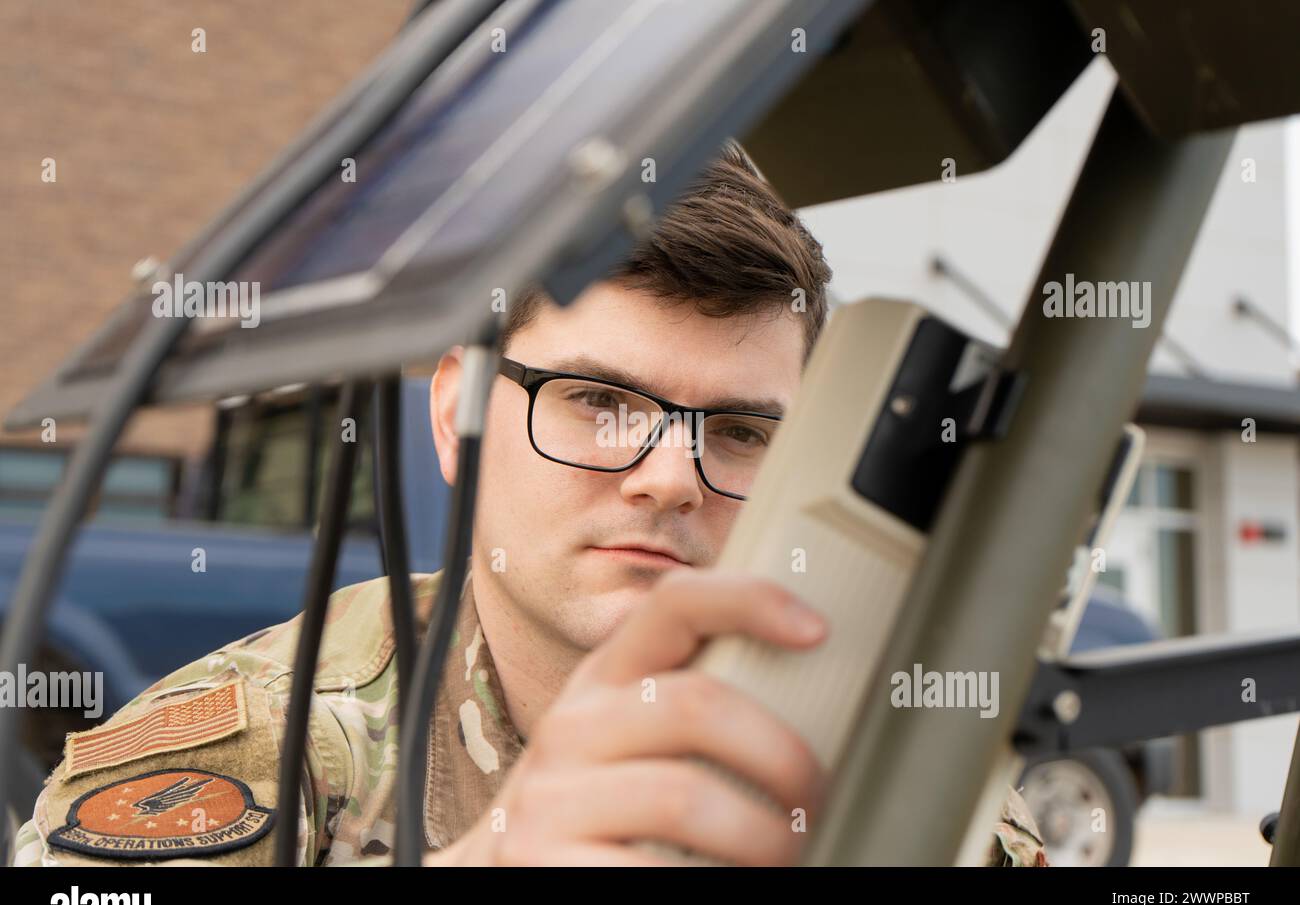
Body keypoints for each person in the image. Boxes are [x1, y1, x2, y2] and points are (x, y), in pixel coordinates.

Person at [12, 141, 1047, 867]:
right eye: (599, 401)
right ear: (456, 416)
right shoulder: (247, 746)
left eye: (741, 429)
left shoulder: (888, 770)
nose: (670, 475)